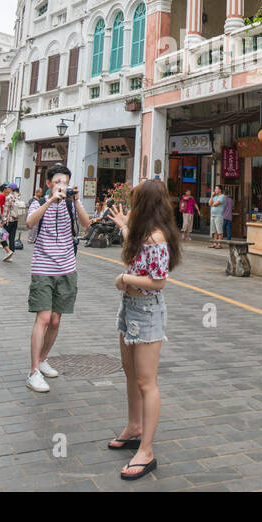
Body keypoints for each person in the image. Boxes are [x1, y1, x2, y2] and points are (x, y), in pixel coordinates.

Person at [103, 179, 179, 481]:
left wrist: (125, 279)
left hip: (147, 312)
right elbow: (139, 260)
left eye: (135, 201)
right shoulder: (142, 233)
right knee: (130, 373)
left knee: (147, 382)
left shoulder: (157, 237)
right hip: (130, 308)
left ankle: (145, 451)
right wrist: (123, 226)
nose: (131, 206)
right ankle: (134, 427)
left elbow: (158, 281)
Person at [23, 164, 91, 393]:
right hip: (43, 268)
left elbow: (87, 224)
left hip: (67, 268)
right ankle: (33, 371)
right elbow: (30, 223)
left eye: (66, 182)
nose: (62, 186)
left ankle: (42, 359)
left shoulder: (71, 204)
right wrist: (51, 200)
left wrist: (75, 201)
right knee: (43, 318)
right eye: (58, 182)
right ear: (49, 183)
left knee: (55, 320)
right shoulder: (39, 202)